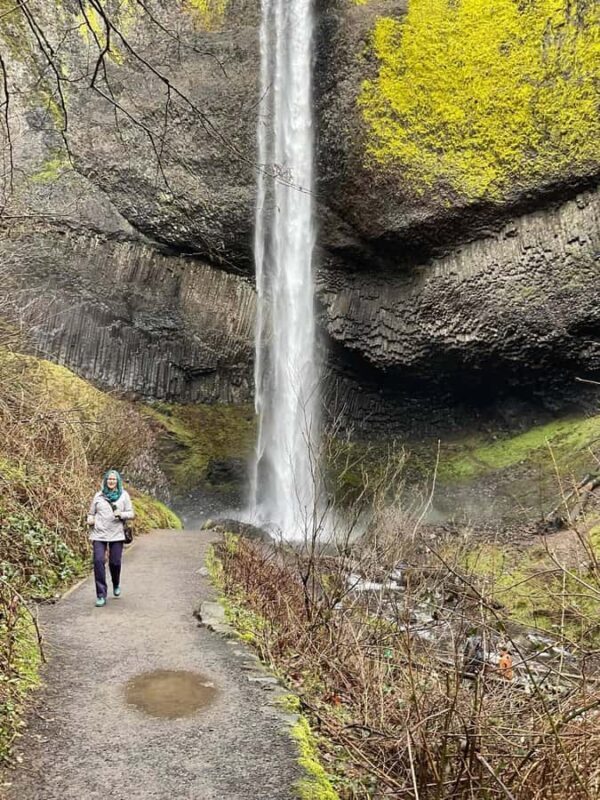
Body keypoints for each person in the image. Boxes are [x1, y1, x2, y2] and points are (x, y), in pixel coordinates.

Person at [87, 470, 134, 607]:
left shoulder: (124, 496)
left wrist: (121, 514)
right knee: (98, 561)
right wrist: (90, 519)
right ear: (105, 481)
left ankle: (116, 582)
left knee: (115, 563)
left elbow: (131, 513)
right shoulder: (98, 496)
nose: (111, 481)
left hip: (116, 534)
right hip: (99, 533)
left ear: (118, 481)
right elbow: (91, 513)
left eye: (114, 479)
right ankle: (101, 595)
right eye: (109, 479)